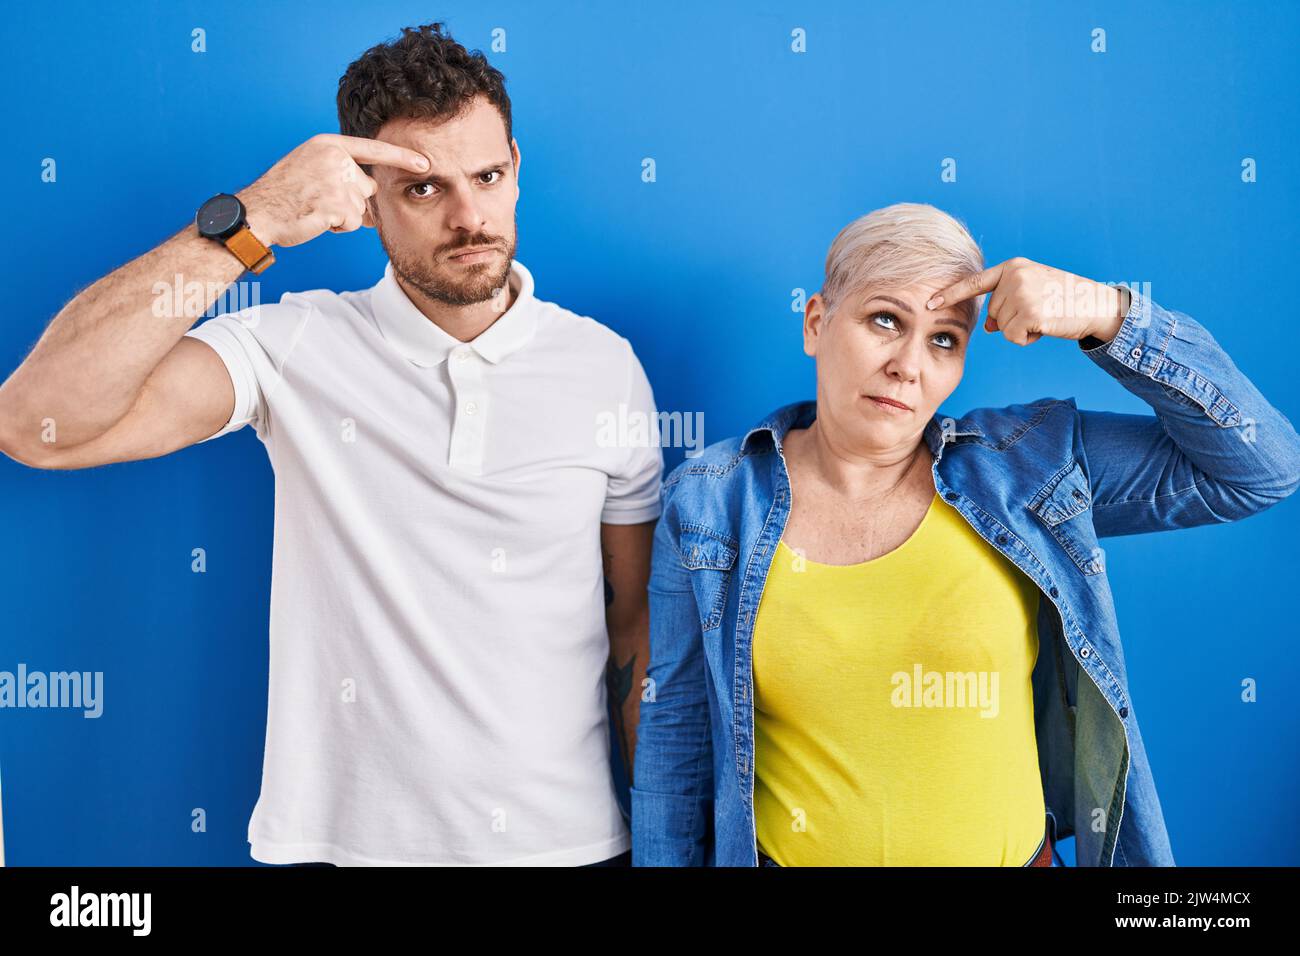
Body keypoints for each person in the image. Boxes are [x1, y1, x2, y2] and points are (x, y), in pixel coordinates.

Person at [0, 23, 661, 866]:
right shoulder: (294, 346)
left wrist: (663, 837)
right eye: (423, 191)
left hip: (570, 846)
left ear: (516, 169)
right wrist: (256, 219)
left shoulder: (604, 367)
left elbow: (633, 627)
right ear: (365, 198)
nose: (470, 218)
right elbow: (36, 424)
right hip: (344, 850)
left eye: (488, 177)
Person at [630, 202, 1300, 867]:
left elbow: (1261, 469)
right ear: (816, 322)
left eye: (944, 338)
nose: (908, 365)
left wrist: (1108, 314)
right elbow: (676, 745)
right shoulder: (710, 501)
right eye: (884, 320)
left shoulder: (1026, 467)